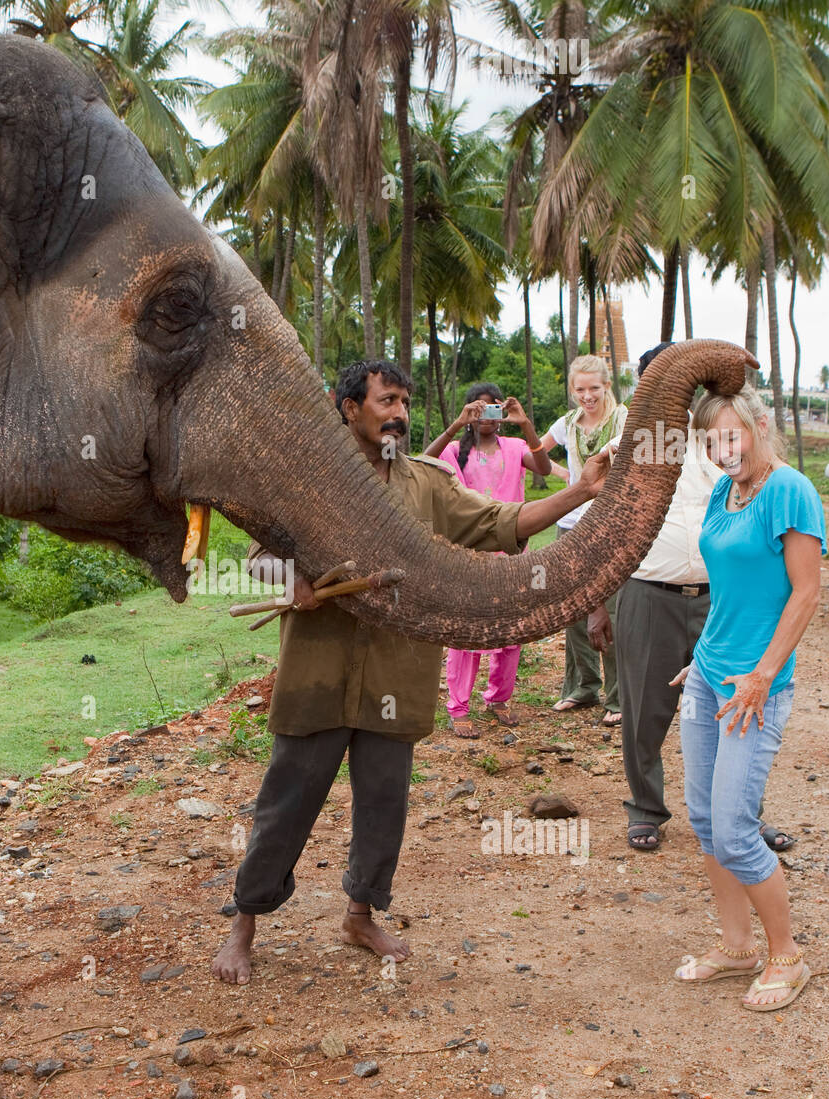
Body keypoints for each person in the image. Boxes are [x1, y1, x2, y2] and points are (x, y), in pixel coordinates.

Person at [212, 359, 615, 984]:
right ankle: (245, 919)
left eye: (404, 401)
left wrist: (581, 491)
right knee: (286, 801)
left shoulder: (428, 483)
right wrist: (290, 580)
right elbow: (258, 556)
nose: (398, 412)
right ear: (349, 408)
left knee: (384, 802)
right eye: (386, 400)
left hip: (396, 675)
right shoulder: (308, 482)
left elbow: (499, 524)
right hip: (316, 672)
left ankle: (360, 914)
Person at [670, 385, 823, 1010]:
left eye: (730, 436)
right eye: (711, 441)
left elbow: (807, 594)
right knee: (706, 823)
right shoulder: (722, 491)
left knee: (735, 828)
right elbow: (729, 590)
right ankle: (737, 948)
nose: (721, 449)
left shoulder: (790, 490)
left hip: (755, 687)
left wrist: (761, 674)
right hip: (709, 675)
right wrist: (701, 657)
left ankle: (787, 955)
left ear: (760, 426)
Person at [616, 344, 795, 854]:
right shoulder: (634, 438)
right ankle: (646, 809)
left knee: (735, 705)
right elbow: (602, 519)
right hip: (650, 592)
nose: (674, 392)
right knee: (645, 711)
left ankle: (740, 815)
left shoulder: (725, 437)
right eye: (662, 381)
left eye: (683, 381)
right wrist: (594, 606)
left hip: (724, 599)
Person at [424, 382, 550, 737]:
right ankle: (458, 707)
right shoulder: (453, 450)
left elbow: (542, 467)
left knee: (512, 632)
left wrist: (525, 425)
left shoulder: (514, 447)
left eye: (494, 409)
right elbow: (423, 463)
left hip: (511, 551)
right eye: (479, 409)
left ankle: (498, 699)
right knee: (466, 633)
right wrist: (454, 425)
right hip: (468, 553)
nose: (488, 416)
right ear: (469, 413)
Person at [539, 355, 626, 726]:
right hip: (572, 524)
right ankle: (583, 687)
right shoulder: (567, 423)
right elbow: (535, 456)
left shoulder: (624, 420)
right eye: (580, 389)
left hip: (612, 525)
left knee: (613, 612)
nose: (587, 396)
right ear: (572, 390)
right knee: (573, 610)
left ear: (607, 386)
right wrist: (566, 478)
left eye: (594, 388)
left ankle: (620, 697)